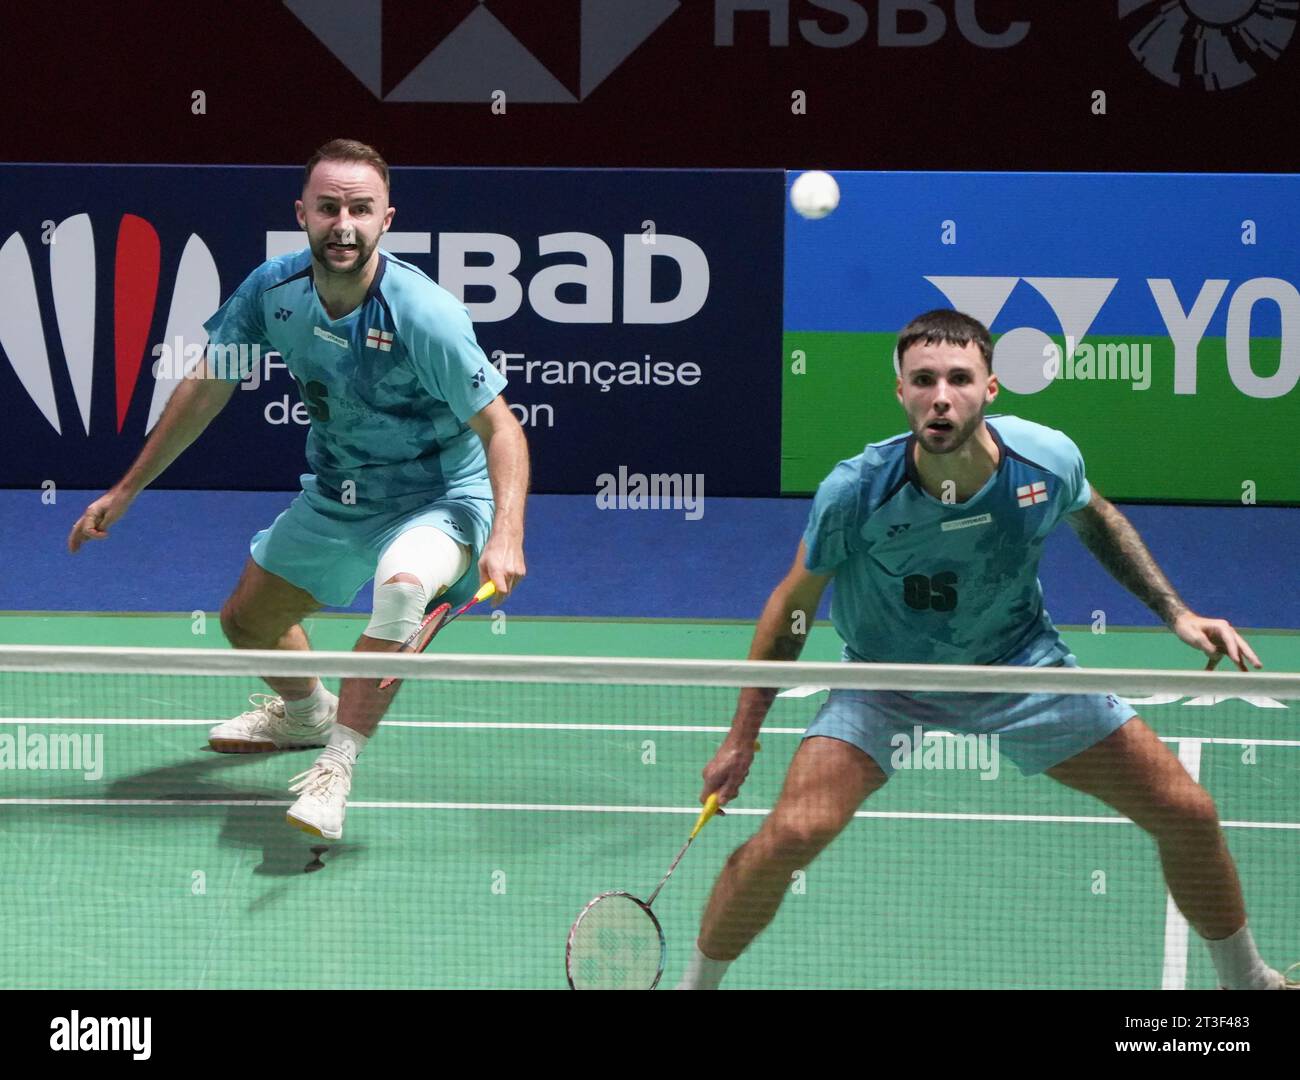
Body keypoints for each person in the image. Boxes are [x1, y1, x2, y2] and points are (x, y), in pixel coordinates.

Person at [677, 308, 1293, 991]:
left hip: (1020, 669)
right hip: (886, 682)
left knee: (1189, 813)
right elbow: (793, 607)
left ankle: (1251, 985)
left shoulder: (1044, 458)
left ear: (991, 388)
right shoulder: (855, 491)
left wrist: (1176, 613)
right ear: (901, 393)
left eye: (960, 378)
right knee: (790, 835)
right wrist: (742, 738)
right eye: (924, 380)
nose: (942, 395)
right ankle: (695, 987)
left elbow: (1097, 518)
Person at [68, 139, 528, 842]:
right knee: (246, 623)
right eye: (329, 207)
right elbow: (208, 386)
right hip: (339, 494)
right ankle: (309, 714)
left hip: (438, 499)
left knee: (403, 587)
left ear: (386, 220)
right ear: (303, 214)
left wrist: (504, 533)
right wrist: (126, 490)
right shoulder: (272, 291)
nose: (344, 223)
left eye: (361, 209)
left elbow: (502, 429)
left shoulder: (423, 313)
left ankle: (337, 766)